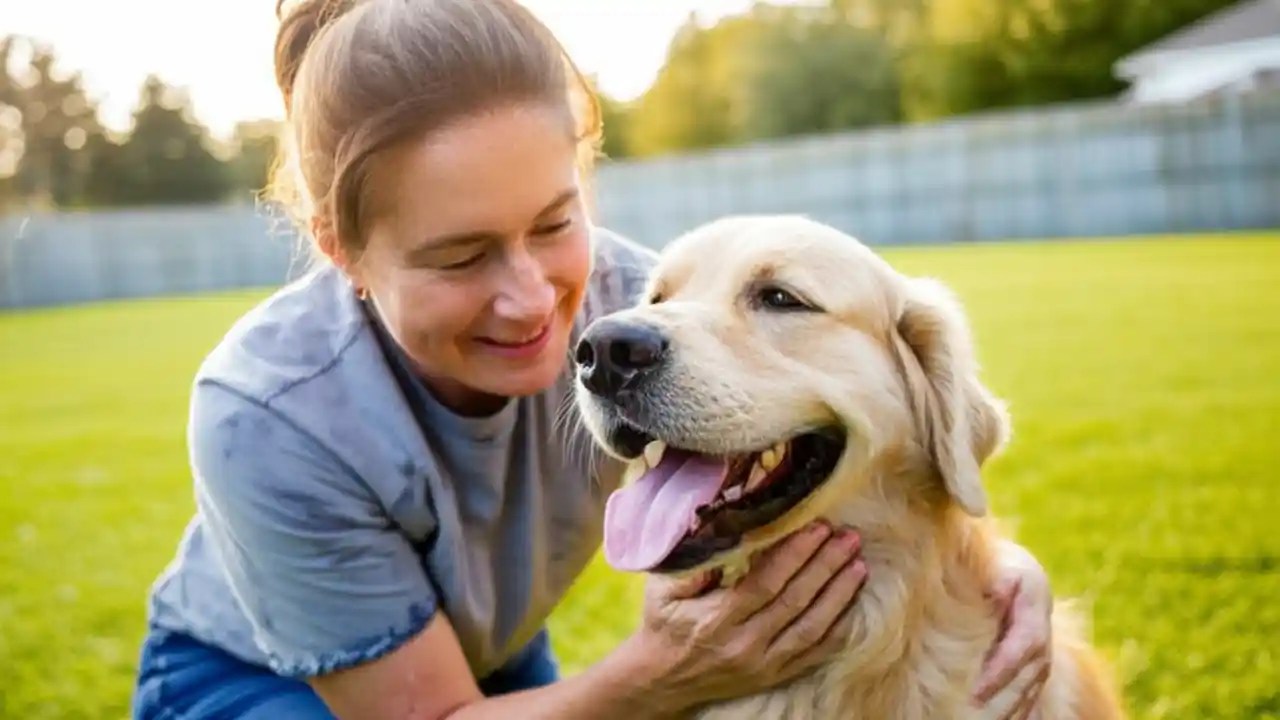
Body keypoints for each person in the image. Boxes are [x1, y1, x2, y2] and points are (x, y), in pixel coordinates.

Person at [131, 1, 1055, 718]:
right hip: (245, 685)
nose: (535, 301)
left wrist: (987, 570)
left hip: (491, 658)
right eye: (460, 256)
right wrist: (656, 676)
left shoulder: (639, 311)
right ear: (342, 251)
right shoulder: (267, 413)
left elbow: (846, 433)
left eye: (555, 223)